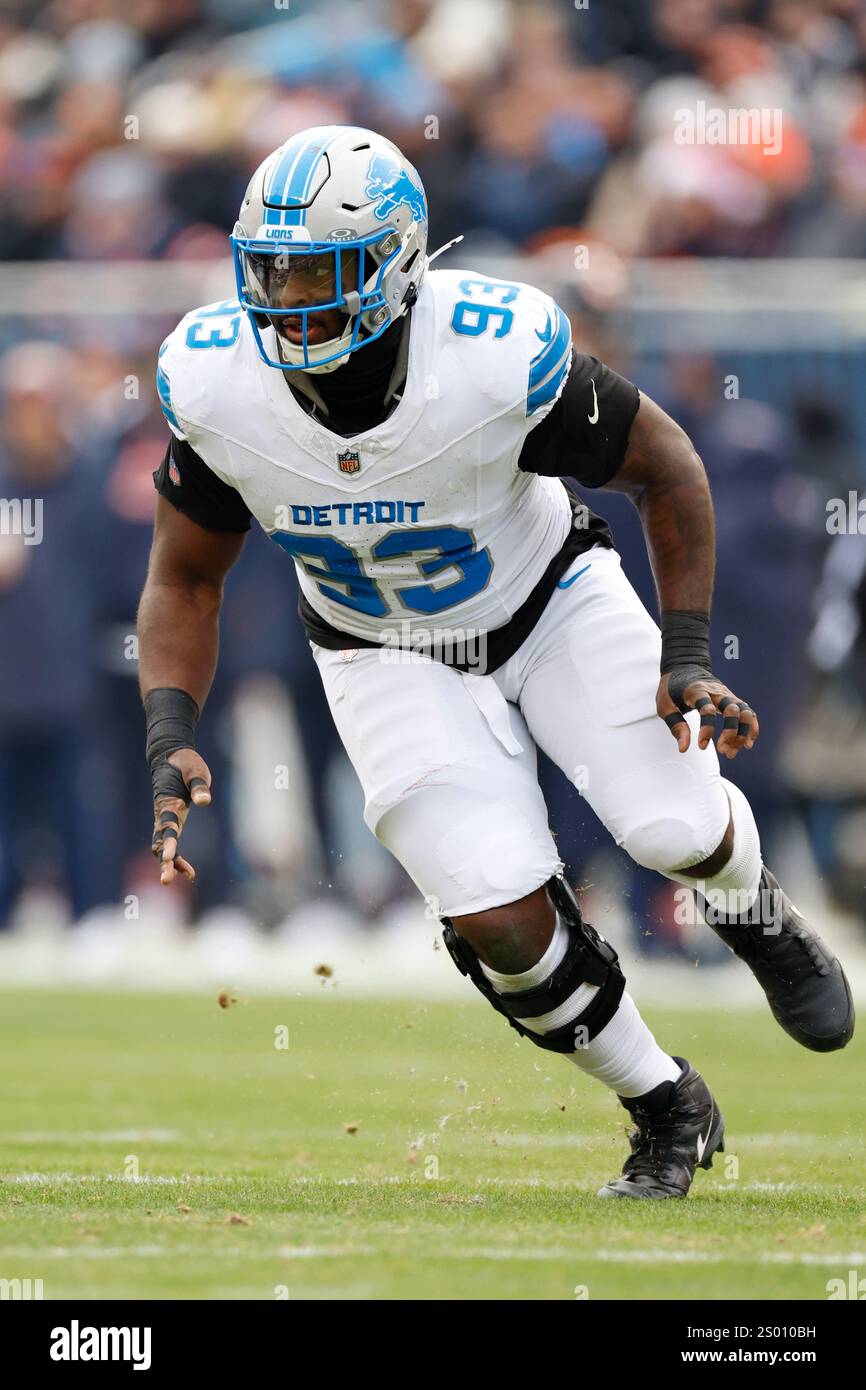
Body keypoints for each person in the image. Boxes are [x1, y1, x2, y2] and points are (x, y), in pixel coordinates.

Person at [138, 125, 853, 1200]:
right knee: (495, 917)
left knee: (671, 830)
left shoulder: (487, 353)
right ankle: (664, 1103)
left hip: (548, 601)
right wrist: (170, 727)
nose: (282, 298)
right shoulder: (214, 380)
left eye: (313, 270)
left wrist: (687, 654)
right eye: (267, 267)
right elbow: (186, 576)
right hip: (381, 649)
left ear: (393, 264)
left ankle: (752, 908)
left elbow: (667, 469)